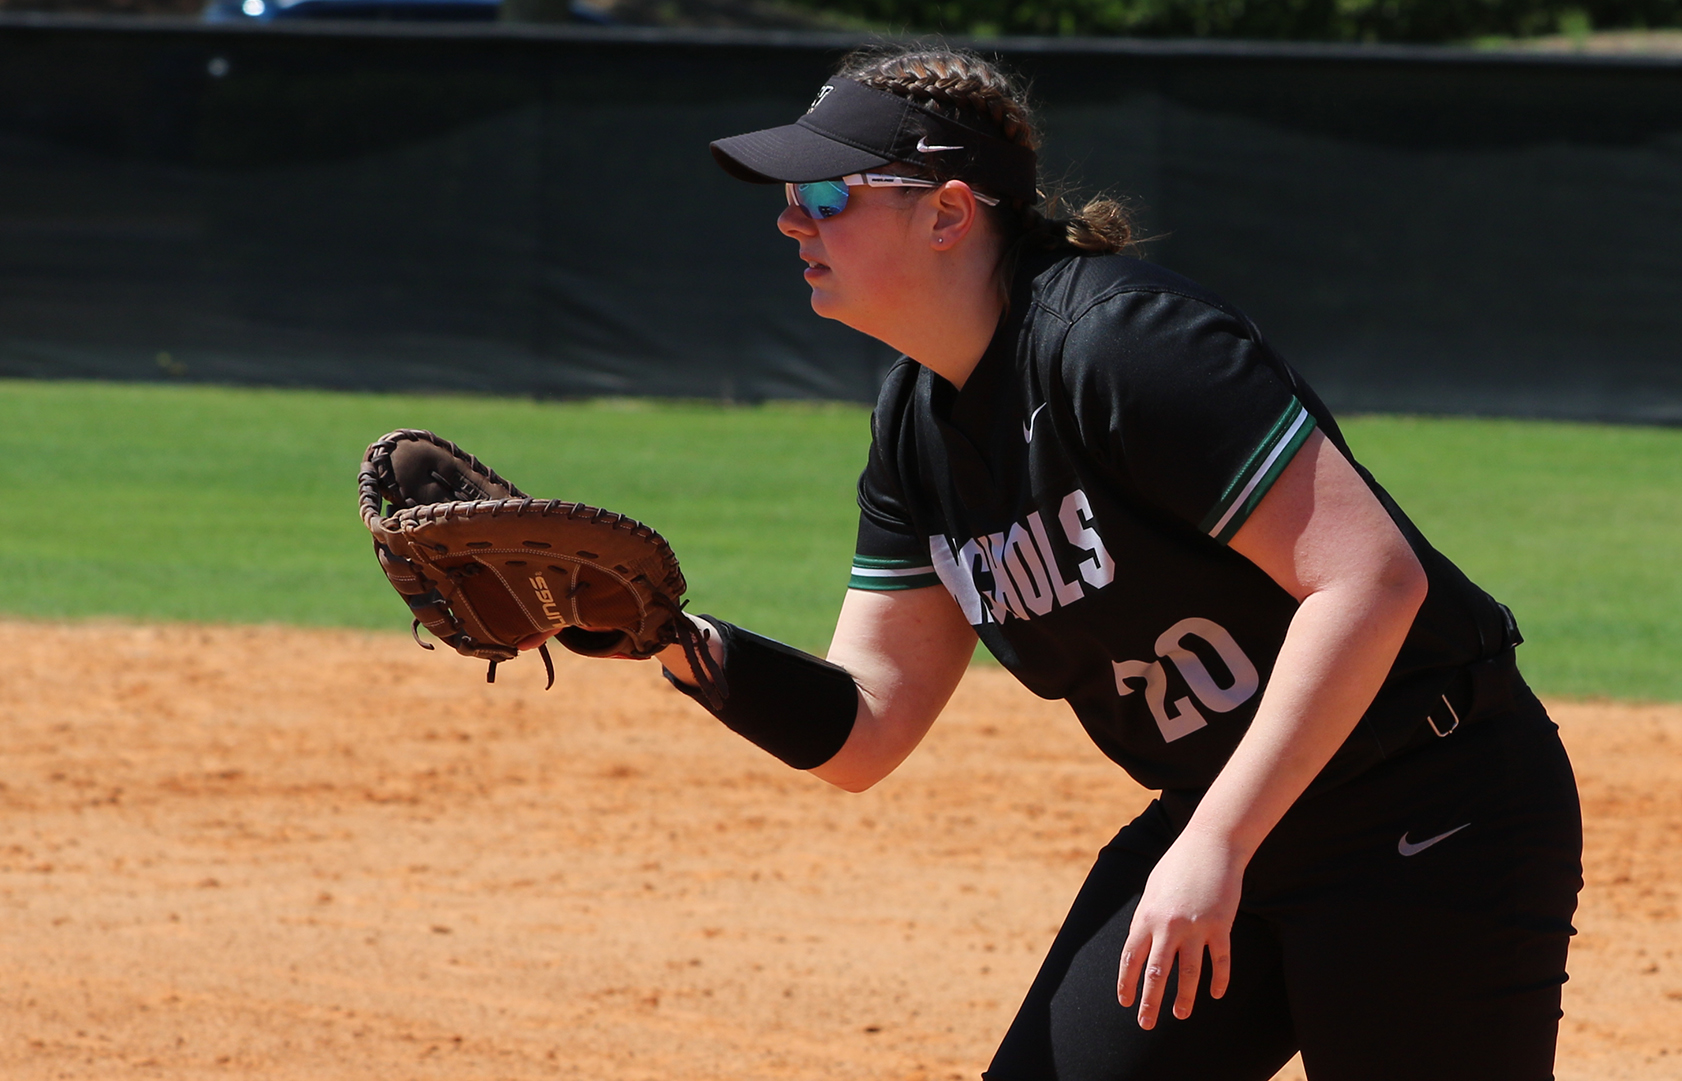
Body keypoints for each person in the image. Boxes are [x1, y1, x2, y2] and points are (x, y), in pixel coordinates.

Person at [640, 45, 1582, 1080]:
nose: (791, 219)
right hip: (1223, 817)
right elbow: (868, 724)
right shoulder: (915, 423)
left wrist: (1217, 846)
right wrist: (663, 636)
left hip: (1422, 803)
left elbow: (1369, 579)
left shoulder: (1121, 343)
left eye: (825, 193)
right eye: (790, 196)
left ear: (949, 213)